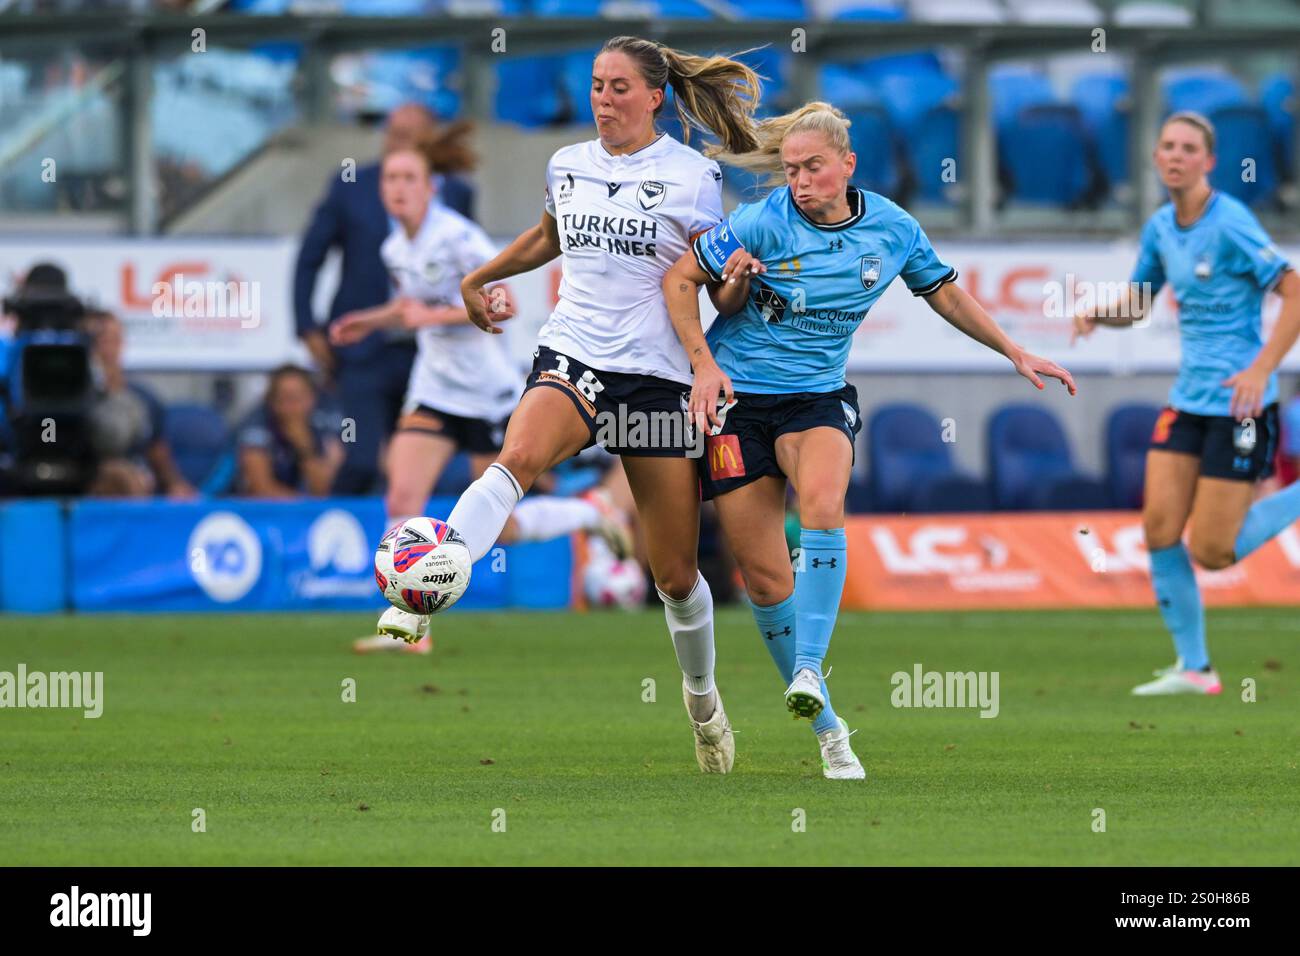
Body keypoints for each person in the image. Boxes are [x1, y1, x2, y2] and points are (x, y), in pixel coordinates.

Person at [663, 102, 1077, 779]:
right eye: (791, 169)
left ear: (847, 165)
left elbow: (943, 294)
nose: (800, 181)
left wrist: (1013, 350)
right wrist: (705, 357)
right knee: (767, 580)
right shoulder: (762, 221)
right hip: (738, 405)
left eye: (813, 168)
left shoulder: (891, 227)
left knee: (823, 505)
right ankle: (830, 731)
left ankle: (806, 670)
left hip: (817, 400)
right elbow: (682, 279)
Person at [403, 36, 762, 774]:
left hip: (655, 381)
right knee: (519, 454)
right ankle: (432, 582)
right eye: (597, 86)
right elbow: (546, 238)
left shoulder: (692, 177)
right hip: (574, 356)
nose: (604, 99)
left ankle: (702, 700)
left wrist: (739, 283)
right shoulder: (566, 165)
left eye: (620, 87)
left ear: (655, 95)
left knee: (674, 575)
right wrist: (477, 279)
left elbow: (709, 278)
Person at [338, 138, 633, 654]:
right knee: (402, 499)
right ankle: (413, 624)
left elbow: (505, 303)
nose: (398, 189)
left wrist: (432, 317)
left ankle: (589, 513)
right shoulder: (394, 248)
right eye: (390, 179)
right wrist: (371, 321)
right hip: (433, 389)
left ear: (431, 188)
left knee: (500, 526)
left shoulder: (457, 237)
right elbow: (413, 304)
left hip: (486, 392)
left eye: (409, 179)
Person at [1073, 111, 1300, 696]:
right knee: (1158, 529)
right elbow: (1141, 302)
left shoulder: (1231, 223)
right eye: (1166, 145)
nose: (1174, 155)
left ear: (1209, 161)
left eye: (1188, 147)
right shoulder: (1160, 227)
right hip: (1188, 403)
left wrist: (1261, 368)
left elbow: (1293, 288)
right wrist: (1100, 312)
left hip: (1241, 407)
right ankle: (1196, 669)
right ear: (1156, 158)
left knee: (1215, 551)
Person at [294, 104, 476, 495]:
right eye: (393, 133)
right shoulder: (351, 186)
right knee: (360, 459)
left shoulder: (457, 197)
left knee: (414, 470)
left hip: (428, 351)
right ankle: (333, 534)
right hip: (366, 351)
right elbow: (310, 258)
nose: (398, 143)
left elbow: (476, 284)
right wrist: (307, 326)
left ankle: (405, 551)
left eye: (410, 135)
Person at [85, 311, 196, 499]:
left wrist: (174, 484)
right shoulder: (76, 399)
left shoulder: (143, 398)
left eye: (114, 340)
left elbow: (157, 450)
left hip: (139, 482)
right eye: (100, 341)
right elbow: (50, 434)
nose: (107, 349)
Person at [235, 364, 344, 497]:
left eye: (298, 398)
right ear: (272, 401)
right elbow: (262, 488)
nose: (292, 406)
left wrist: (304, 446)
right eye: (285, 398)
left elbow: (323, 489)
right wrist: (306, 507)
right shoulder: (256, 424)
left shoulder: (324, 425)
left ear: (312, 398)